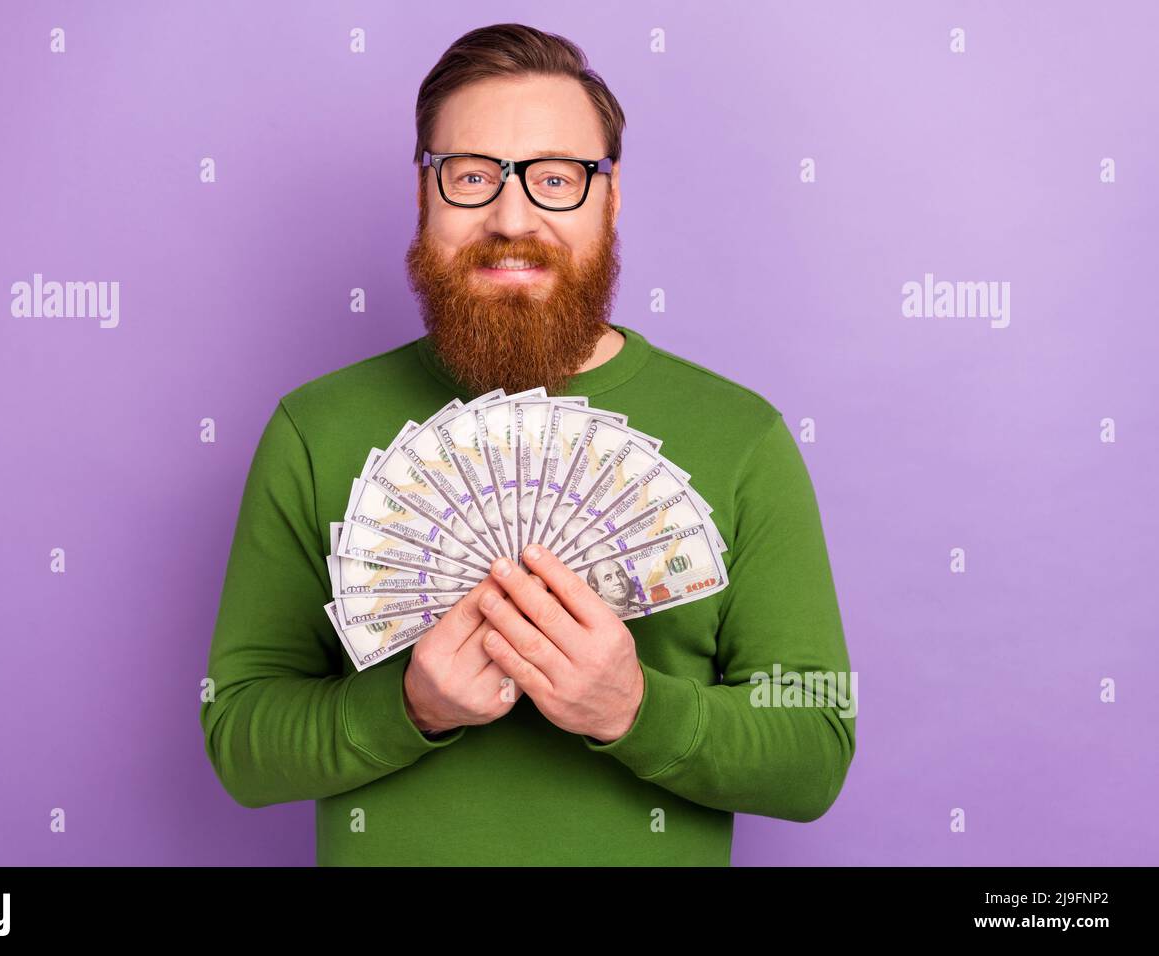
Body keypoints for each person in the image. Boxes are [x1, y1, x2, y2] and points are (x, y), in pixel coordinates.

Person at [200, 22, 855, 865]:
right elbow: (239, 739)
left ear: (610, 200)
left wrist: (632, 709)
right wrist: (409, 706)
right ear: (424, 196)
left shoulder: (744, 437)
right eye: (471, 176)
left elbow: (815, 753)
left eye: (557, 178)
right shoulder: (314, 429)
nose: (512, 217)